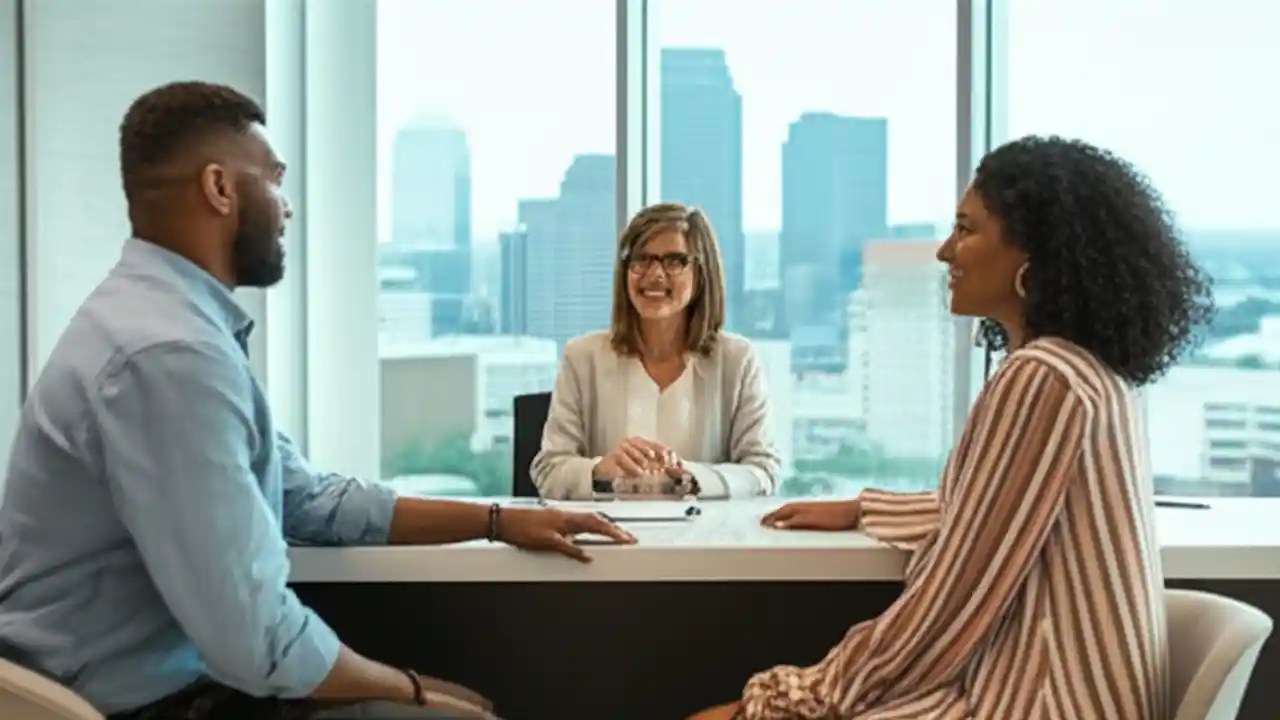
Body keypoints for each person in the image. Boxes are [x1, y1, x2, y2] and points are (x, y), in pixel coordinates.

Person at [0, 80, 634, 720]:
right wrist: (417, 691)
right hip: (135, 705)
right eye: (275, 179)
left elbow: (304, 499)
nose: (287, 207)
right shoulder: (170, 354)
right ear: (219, 188)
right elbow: (259, 642)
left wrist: (497, 520)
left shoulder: (164, 325)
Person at [690, 136, 1214, 720]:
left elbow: (949, 608)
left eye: (966, 229)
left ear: (1033, 254)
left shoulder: (1042, 379)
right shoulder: (1090, 371)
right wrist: (866, 509)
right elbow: (997, 512)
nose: (944, 251)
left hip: (1039, 703)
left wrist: (800, 694)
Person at [532, 203, 781, 500]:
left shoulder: (737, 361)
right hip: (605, 528)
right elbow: (548, 470)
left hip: (704, 528)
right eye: (641, 260)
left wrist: (694, 478)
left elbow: (764, 470)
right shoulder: (582, 357)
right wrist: (600, 471)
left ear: (701, 274)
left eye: (674, 261)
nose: (655, 275)